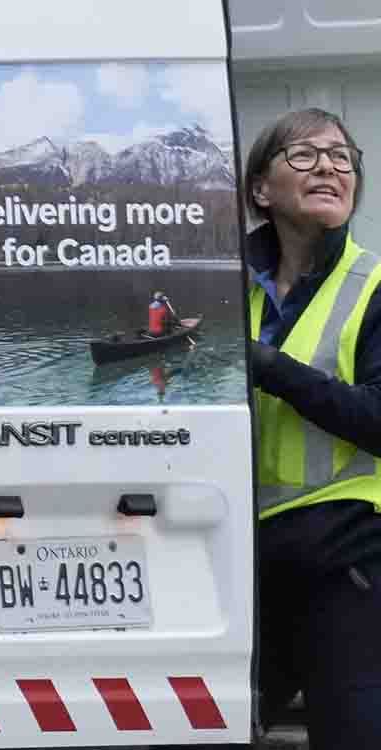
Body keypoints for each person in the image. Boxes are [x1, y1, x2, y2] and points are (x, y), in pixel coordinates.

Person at [245, 107, 381, 748]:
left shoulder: (375, 287)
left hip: (349, 562)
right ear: (261, 189)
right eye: (304, 155)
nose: (328, 166)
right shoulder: (225, 292)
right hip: (244, 562)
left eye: (341, 157)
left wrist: (271, 368)